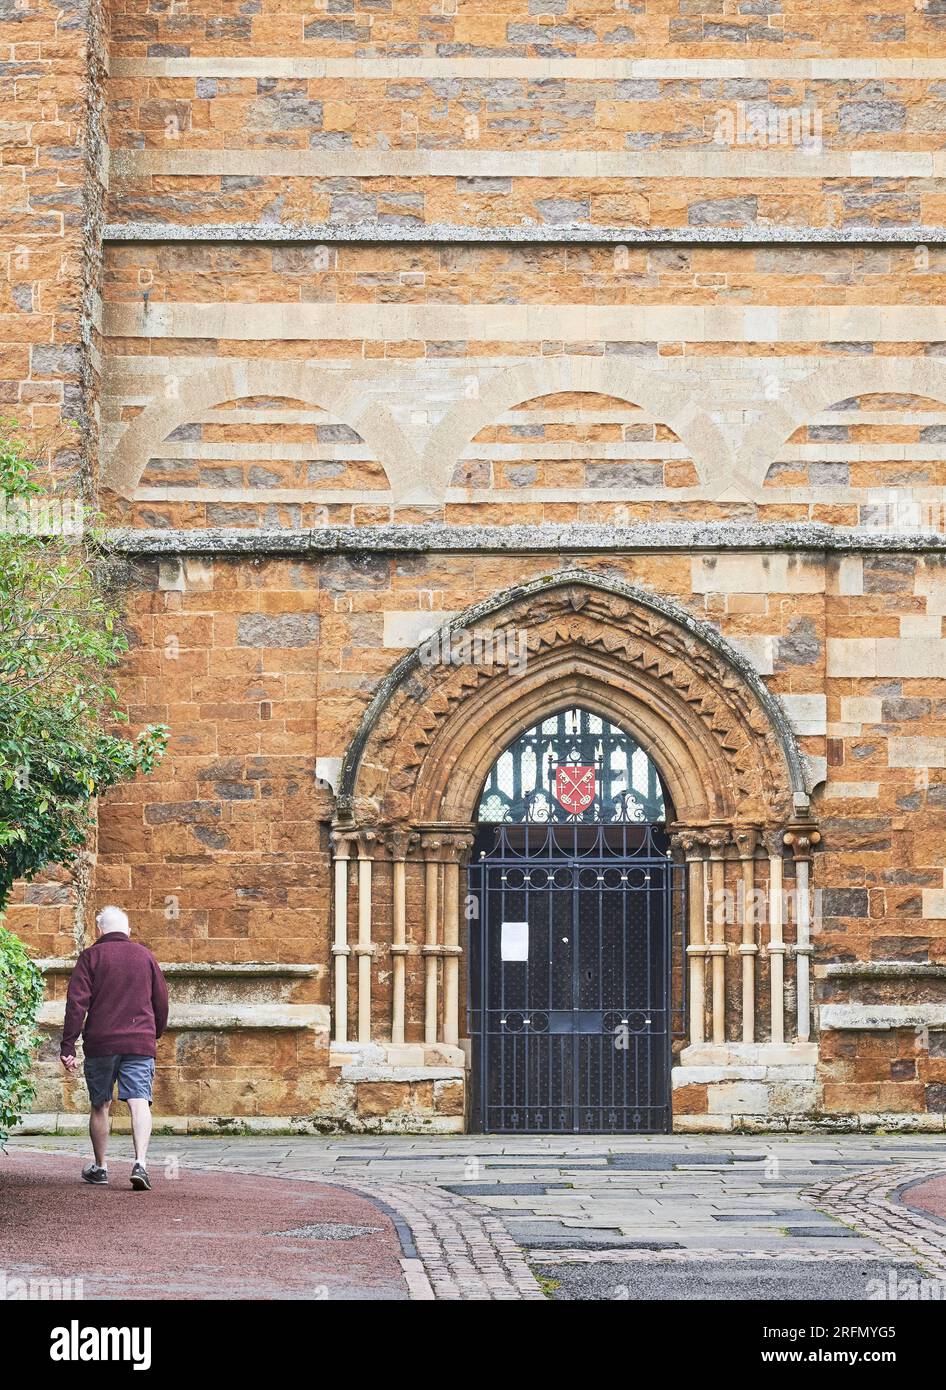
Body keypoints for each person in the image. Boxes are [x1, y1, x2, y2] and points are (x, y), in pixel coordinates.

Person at [59, 906, 169, 1191]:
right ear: (128, 931)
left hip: (101, 1042)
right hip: (139, 1041)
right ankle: (141, 1163)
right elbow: (161, 1001)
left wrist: (68, 1044)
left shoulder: (91, 957)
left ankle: (101, 1167)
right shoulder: (145, 956)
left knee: (101, 1104)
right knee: (139, 1100)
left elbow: (76, 1004)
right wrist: (153, 1033)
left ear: (99, 931)